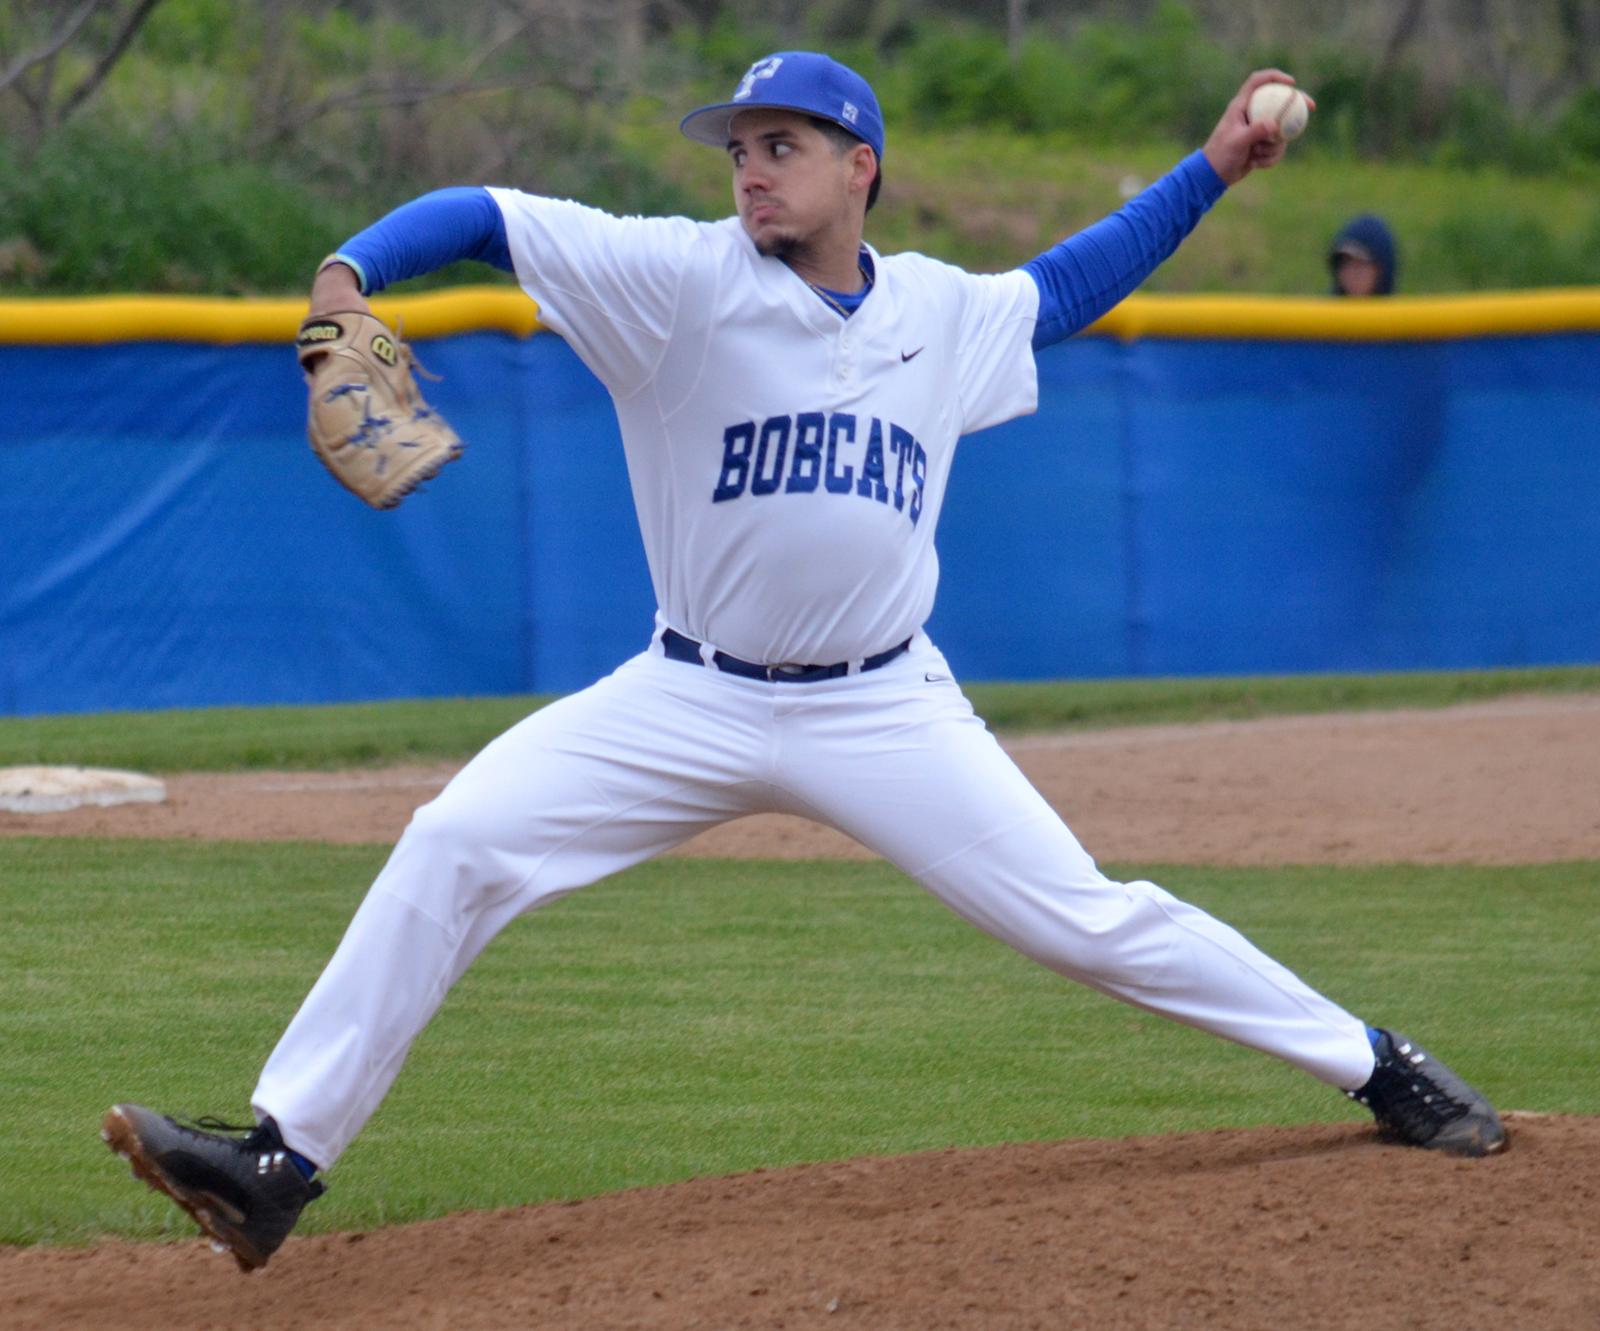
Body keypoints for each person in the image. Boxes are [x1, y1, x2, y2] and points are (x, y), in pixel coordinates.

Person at [102, 52, 1503, 1273]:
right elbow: (483, 215)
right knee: (456, 837)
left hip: (883, 703)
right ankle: (278, 1160)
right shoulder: (674, 279)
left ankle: (1373, 1061)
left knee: (1086, 917)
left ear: (859, 167)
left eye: (781, 145)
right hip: (687, 694)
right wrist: (344, 277)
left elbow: (1074, 281)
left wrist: (1213, 168)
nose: (751, 171)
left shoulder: (939, 311)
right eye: (739, 149)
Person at [1329, 213, 1398, 296]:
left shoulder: (1405, 304)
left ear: (1381, 268)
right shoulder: (1323, 304)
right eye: (1344, 264)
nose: (1351, 274)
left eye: (1359, 265)